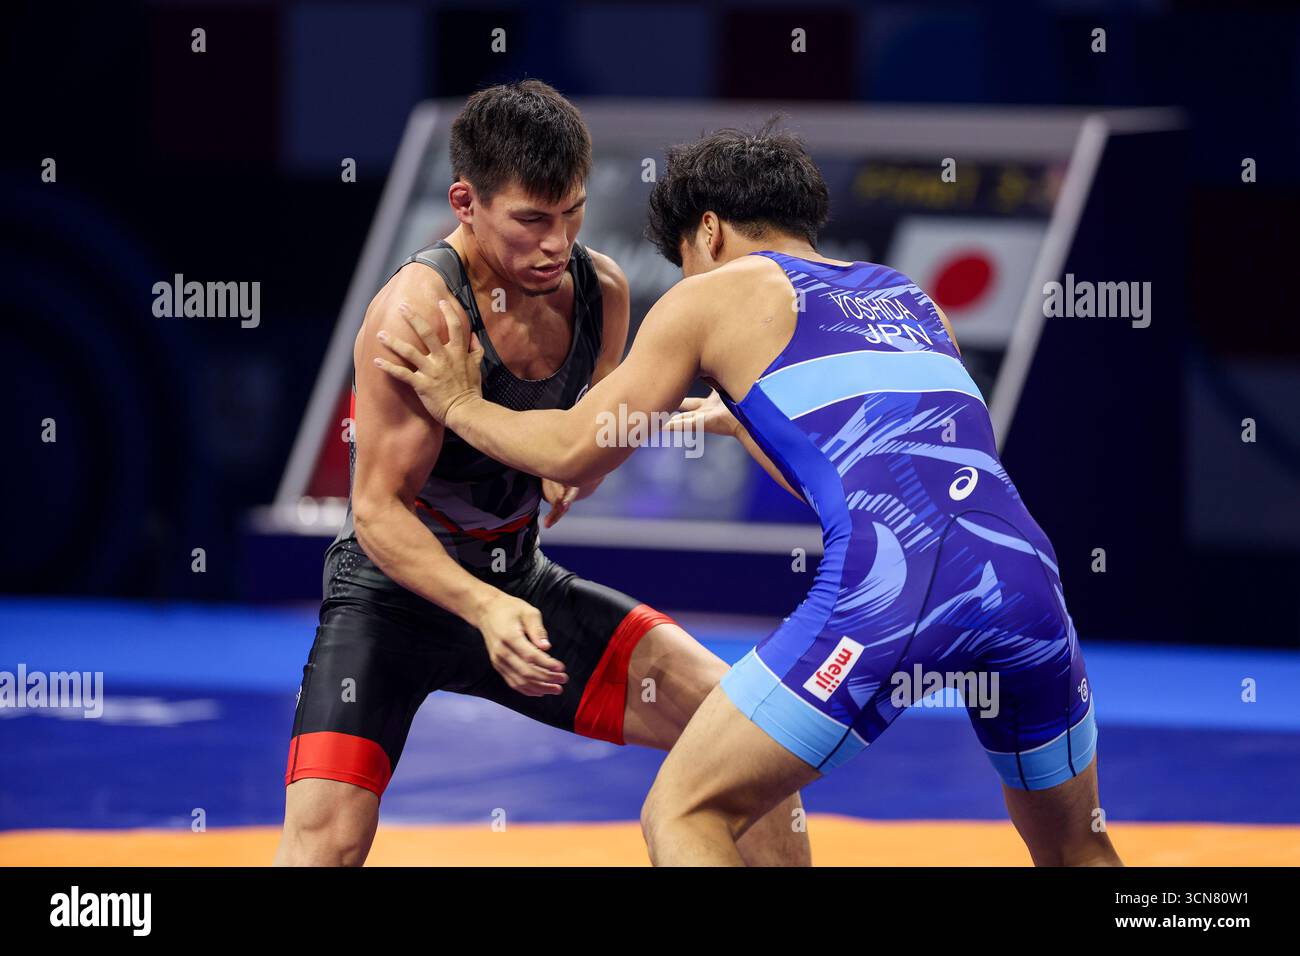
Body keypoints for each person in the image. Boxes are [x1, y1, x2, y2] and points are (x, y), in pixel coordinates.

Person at [373, 121, 1124, 867]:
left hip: (900, 586)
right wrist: (752, 423)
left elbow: (571, 449)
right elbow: (877, 474)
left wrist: (459, 403)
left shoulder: (715, 294)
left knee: (685, 810)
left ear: (709, 231)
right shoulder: (909, 299)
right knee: (1076, 847)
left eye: (687, 264)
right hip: (1027, 580)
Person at [274, 84, 808, 867]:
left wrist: (570, 475)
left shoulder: (602, 291)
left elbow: (588, 436)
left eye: (573, 214)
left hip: (519, 586)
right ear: (466, 203)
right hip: (390, 602)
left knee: (747, 741)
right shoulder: (415, 317)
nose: (556, 244)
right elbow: (378, 513)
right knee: (324, 845)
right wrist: (483, 607)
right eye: (531, 220)